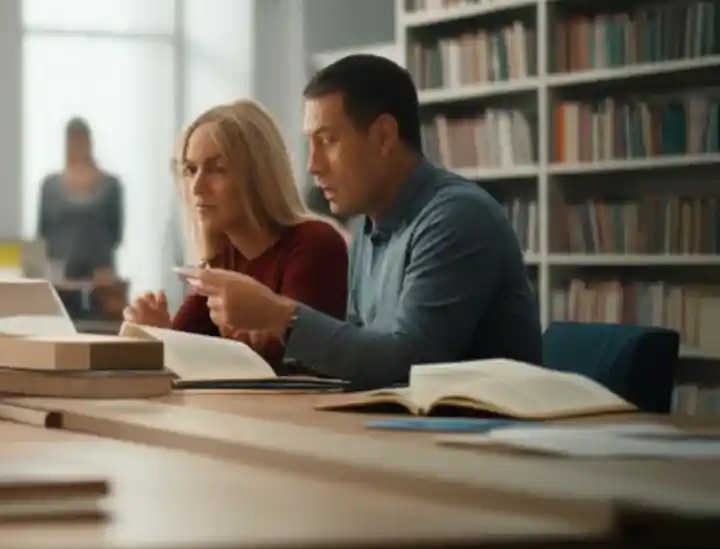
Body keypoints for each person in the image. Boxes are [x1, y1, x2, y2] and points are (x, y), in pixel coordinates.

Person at [183, 55, 541, 388]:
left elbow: (410, 365)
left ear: (383, 136)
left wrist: (280, 317)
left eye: (327, 141)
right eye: (310, 144)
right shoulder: (367, 227)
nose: (313, 165)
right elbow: (357, 354)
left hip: (484, 441)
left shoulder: (456, 218)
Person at [124, 99, 347, 370]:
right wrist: (157, 335)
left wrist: (169, 342)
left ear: (258, 175)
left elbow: (296, 368)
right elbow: (186, 358)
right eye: (190, 170)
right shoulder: (222, 260)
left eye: (217, 169)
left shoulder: (314, 245)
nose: (196, 187)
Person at [36, 117, 123, 281]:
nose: (77, 146)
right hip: (61, 277)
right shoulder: (50, 186)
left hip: (100, 277)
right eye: (72, 141)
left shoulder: (110, 186)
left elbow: (116, 233)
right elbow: (43, 234)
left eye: (81, 140)